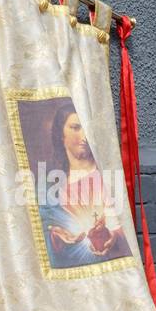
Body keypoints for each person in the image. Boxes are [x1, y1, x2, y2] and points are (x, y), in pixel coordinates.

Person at [39, 100, 133, 268]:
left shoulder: (108, 177)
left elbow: (125, 226)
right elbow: (39, 233)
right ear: (61, 135)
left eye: (87, 129)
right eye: (75, 128)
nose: (84, 137)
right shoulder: (49, 187)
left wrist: (113, 236)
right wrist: (55, 235)